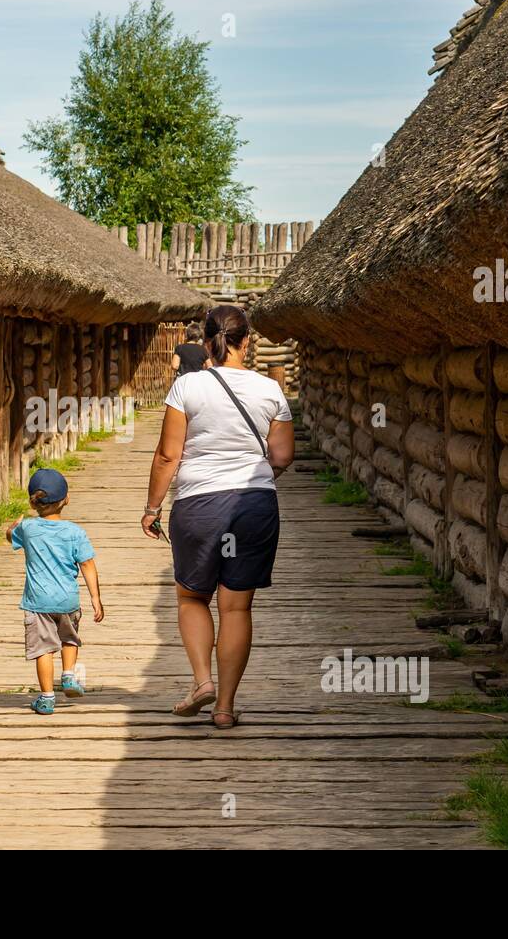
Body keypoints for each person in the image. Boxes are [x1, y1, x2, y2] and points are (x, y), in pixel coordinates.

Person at [141, 305, 295, 728]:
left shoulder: (187, 387)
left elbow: (169, 454)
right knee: (236, 609)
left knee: (192, 596)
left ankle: (202, 682)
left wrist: (152, 507)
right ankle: (225, 708)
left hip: (198, 503)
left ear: (207, 341)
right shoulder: (270, 391)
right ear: (247, 341)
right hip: (254, 505)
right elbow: (282, 455)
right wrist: (259, 474)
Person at [6, 468, 104, 715]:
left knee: (44, 649)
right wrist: (95, 598)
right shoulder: (75, 532)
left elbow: (11, 537)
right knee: (69, 638)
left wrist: (12, 527)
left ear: (33, 501)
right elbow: (87, 565)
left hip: (38, 603)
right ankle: (69, 675)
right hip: (68, 600)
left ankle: (47, 698)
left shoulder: (27, 528)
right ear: (66, 499)